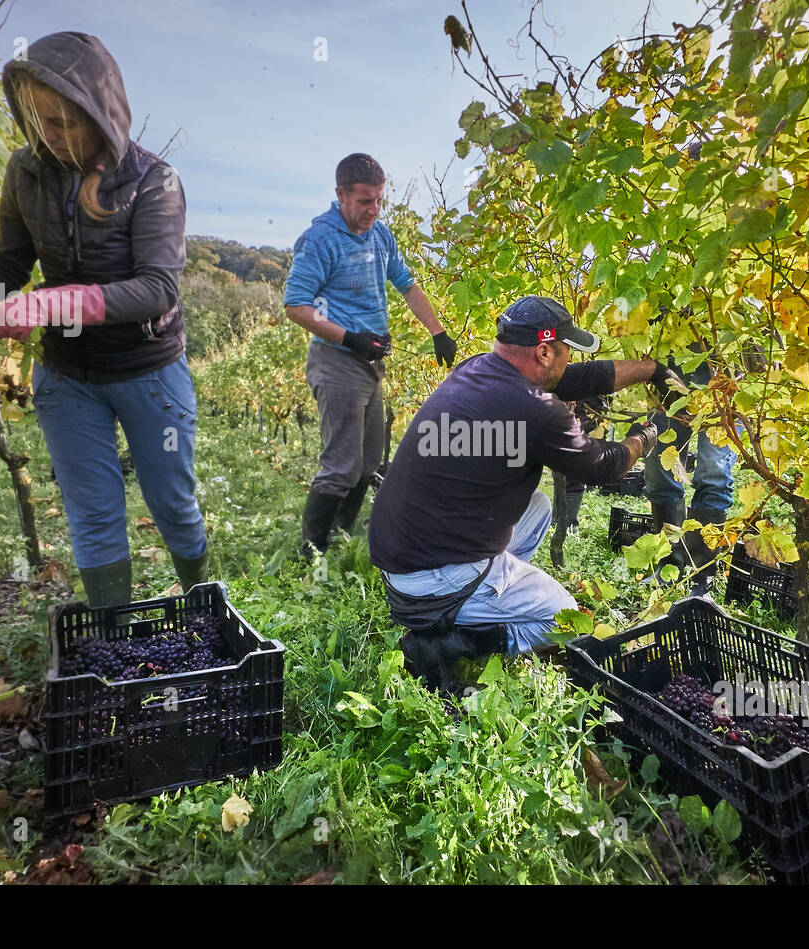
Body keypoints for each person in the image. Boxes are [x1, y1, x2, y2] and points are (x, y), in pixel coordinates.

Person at [0, 32, 206, 609]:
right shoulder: (25, 172)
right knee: (93, 509)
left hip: (148, 372)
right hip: (67, 375)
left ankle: (202, 605)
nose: (50, 138)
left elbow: (158, 289)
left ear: (101, 114)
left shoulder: (154, 182)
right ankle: (113, 642)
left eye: (63, 122)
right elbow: (5, 263)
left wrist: (48, 304)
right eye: (39, 122)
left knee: (172, 502)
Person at [368, 295, 675, 671]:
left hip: (403, 562)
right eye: (567, 350)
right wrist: (645, 436)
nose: (570, 360)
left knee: (538, 507)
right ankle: (455, 642)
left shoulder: (475, 369)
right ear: (544, 352)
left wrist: (651, 369)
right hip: (432, 581)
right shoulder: (535, 410)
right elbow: (603, 466)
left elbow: (577, 379)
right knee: (566, 622)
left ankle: (483, 601)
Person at [283, 153, 457, 558]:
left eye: (379, 200)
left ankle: (341, 538)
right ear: (341, 194)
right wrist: (350, 339)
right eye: (365, 201)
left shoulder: (381, 235)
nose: (373, 210)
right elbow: (296, 306)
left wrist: (438, 332)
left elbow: (408, 285)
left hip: (370, 361)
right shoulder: (320, 240)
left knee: (368, 462)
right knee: (341, 465)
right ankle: (311, 551)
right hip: (337, 360)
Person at [645, 352, 738, 595]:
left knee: (714, 474)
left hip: (722, 367)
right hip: (669, 368)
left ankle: (702, 573)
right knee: (660, 472)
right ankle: (669, 564)